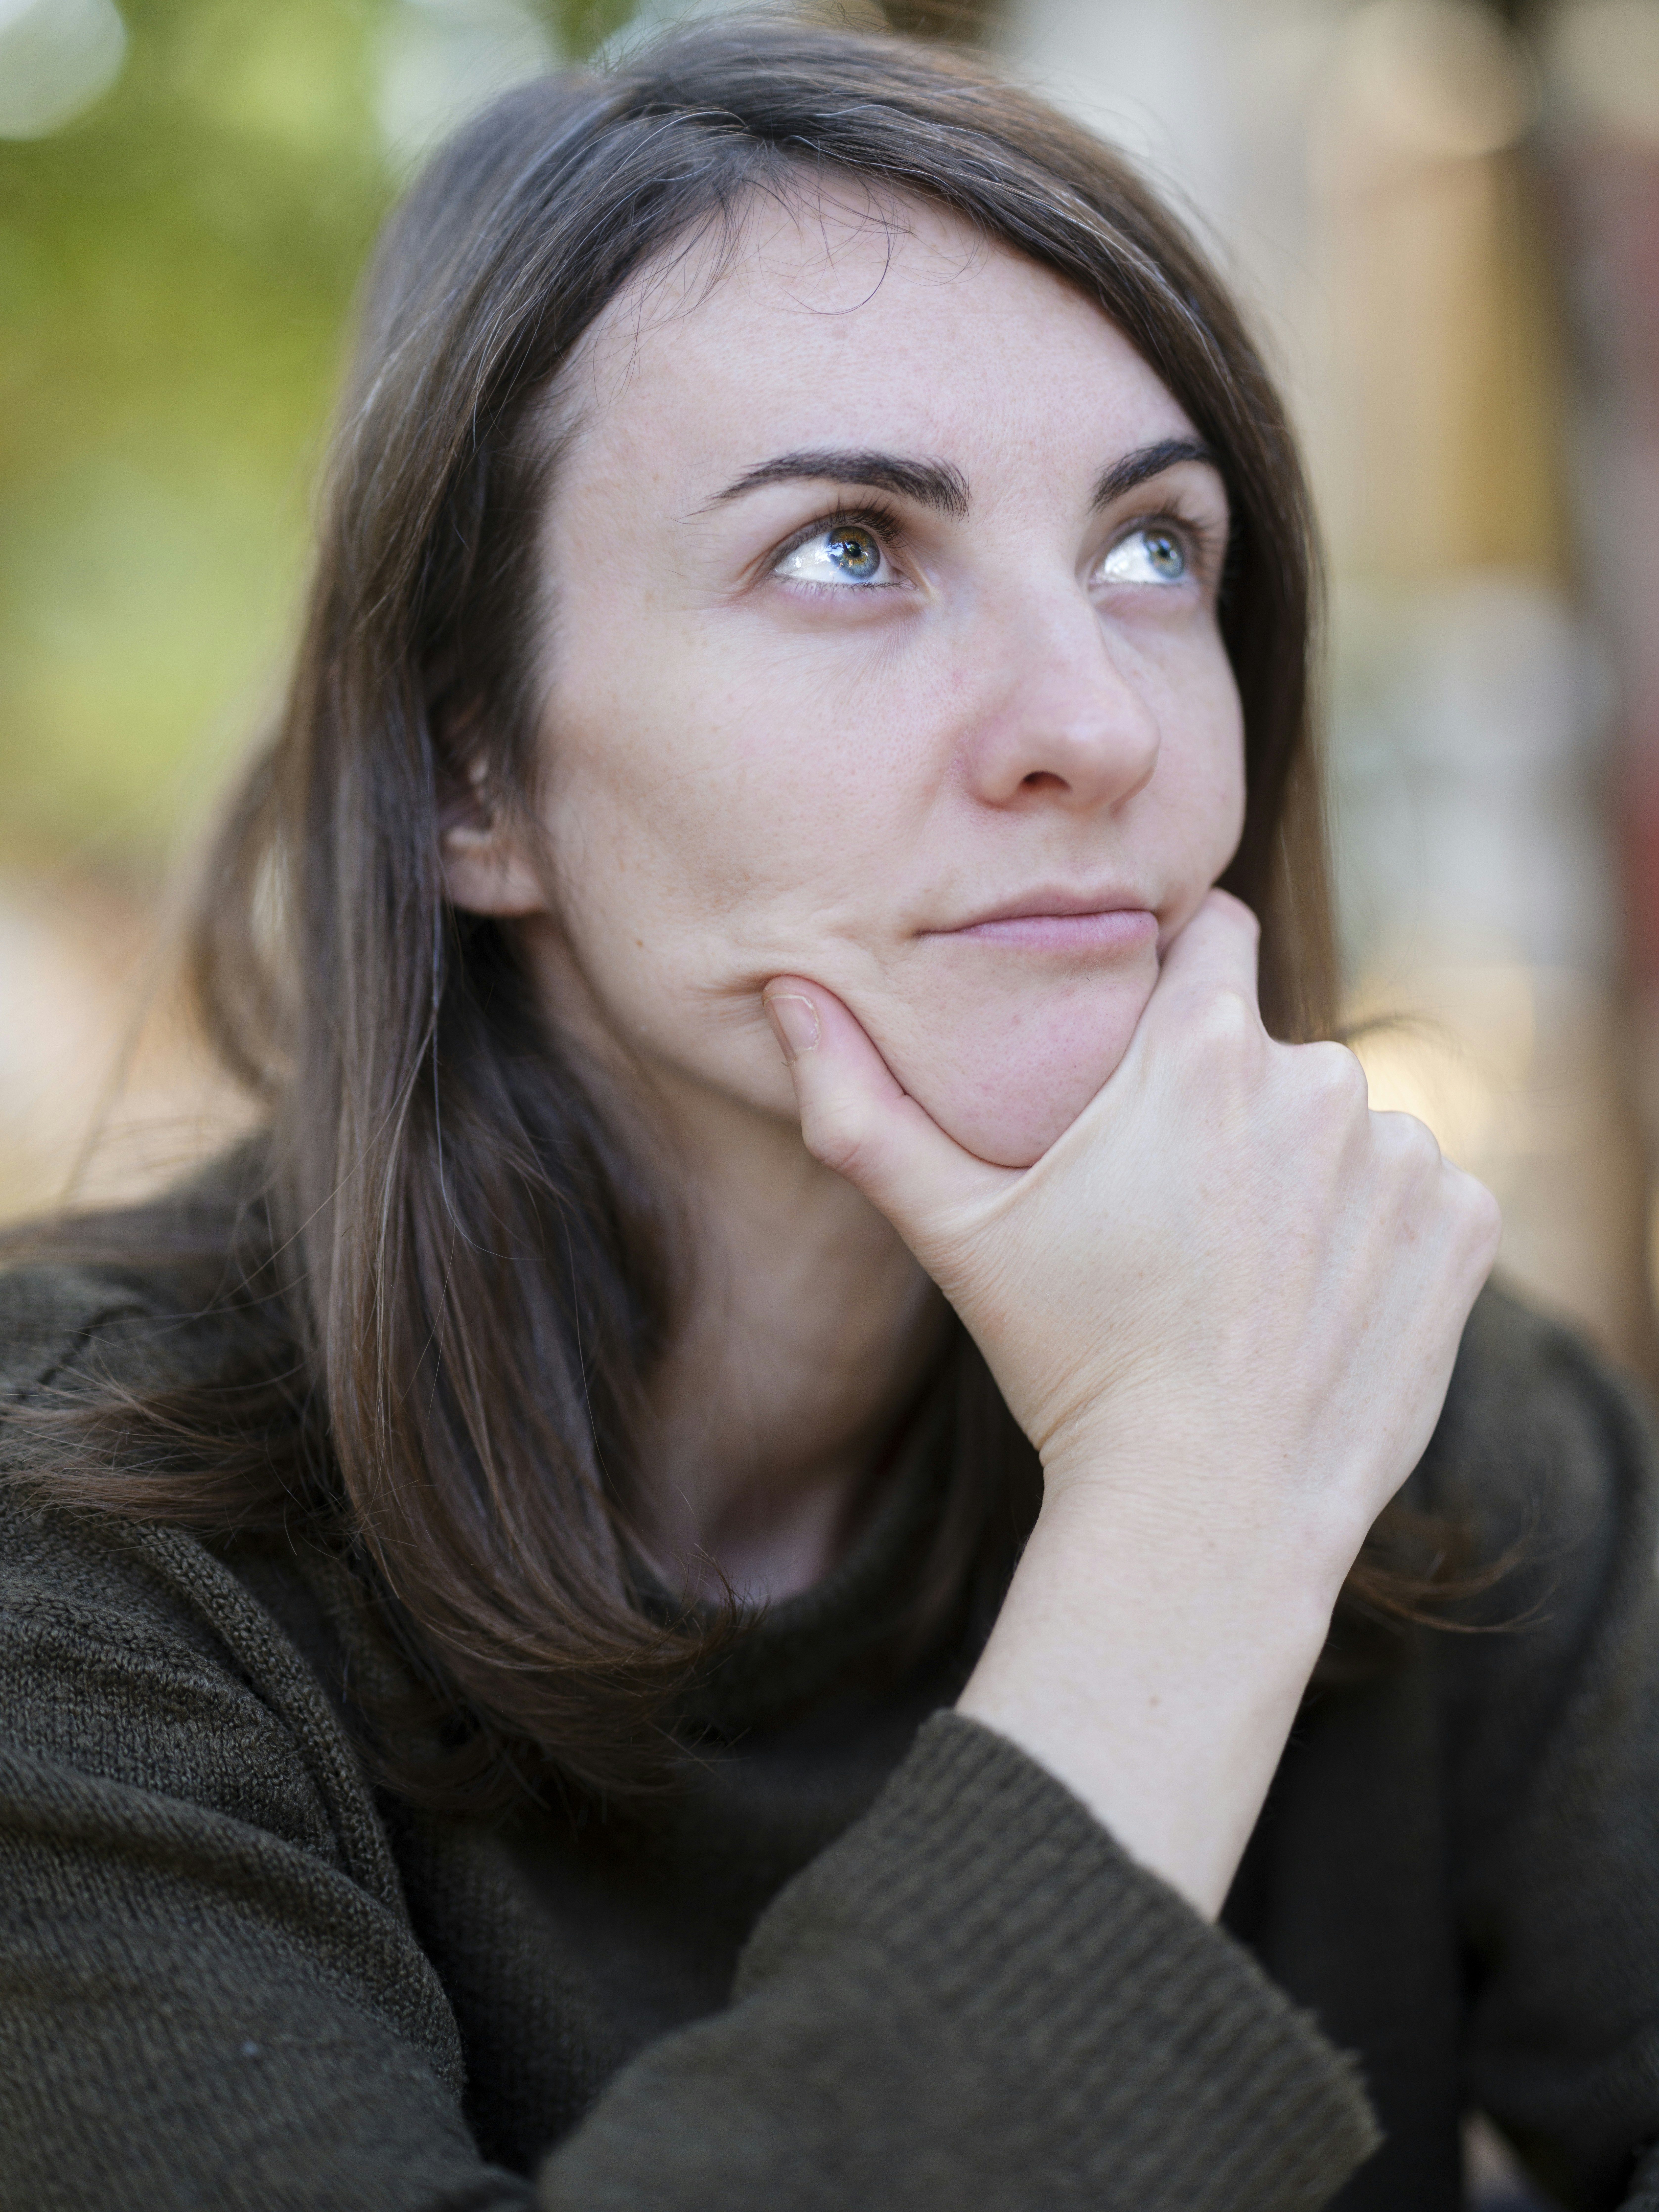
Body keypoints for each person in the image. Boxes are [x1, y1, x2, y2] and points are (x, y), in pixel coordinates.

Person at [0, 17, 1653, 2210]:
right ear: (470, 776)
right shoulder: (84, 1582)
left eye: (1154, 549)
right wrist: (1184, 1536)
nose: (1089, 719)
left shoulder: (1384, 1388)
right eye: (850, 549)